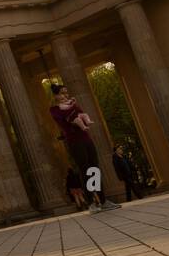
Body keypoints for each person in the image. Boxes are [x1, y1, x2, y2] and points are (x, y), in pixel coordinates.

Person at [49, 83, 120, 212]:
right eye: (63, 93)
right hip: (74, 142)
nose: (66, 95)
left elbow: (82, 115)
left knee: (95, 169)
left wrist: (73, 106)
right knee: (85, 170)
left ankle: (103, 201)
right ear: (56, 96)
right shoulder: (55, 110)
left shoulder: (73, 105)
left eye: (67, 92)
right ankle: (91, 203)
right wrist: (72, 107)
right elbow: (68, 120)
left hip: (86, 139)